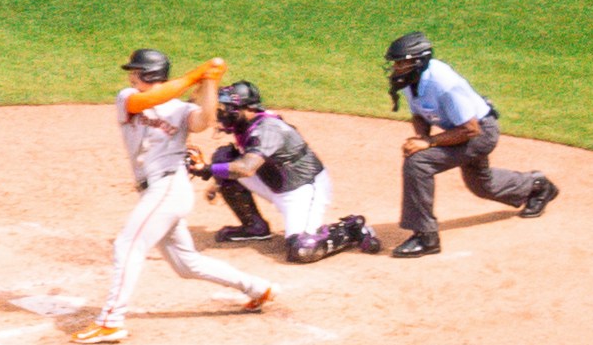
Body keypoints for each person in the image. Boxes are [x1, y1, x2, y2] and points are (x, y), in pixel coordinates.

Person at [76, 44, 249, 341]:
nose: (131, 77)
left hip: (169, 187)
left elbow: (204, 120)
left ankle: (111, 321)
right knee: (186, 264)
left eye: (135, 72)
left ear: (147, 72)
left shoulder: (182, 111)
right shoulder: (128, 98)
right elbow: (150, 99)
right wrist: (196, 75)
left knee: (127, 246)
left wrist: (211, 80)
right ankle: (258, 289)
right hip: (156, 192)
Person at [382, 28, 560, 250]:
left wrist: (428, 144)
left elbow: (470, 129)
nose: (396, 68)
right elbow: (419, 114)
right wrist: (421, 137)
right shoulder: (411, 80)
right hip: (459, 132)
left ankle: (426, 237)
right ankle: (536, 186)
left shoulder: (444, 84)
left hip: (480, 133)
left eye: (401, 63)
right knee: (482, 185)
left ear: (418, 62)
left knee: (418, 162)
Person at [202, 73, 383, 269]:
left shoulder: (268, 129)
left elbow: (246, 168)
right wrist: (217, 177)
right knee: (224, 158)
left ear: (249, 108)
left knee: (302, 249)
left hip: (302, 190)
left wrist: (207, 170)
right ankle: (254, 227)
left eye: (230, 109)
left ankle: (351, 229)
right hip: (274, 181)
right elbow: (240, 165)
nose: (224, 113)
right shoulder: (245, 125)